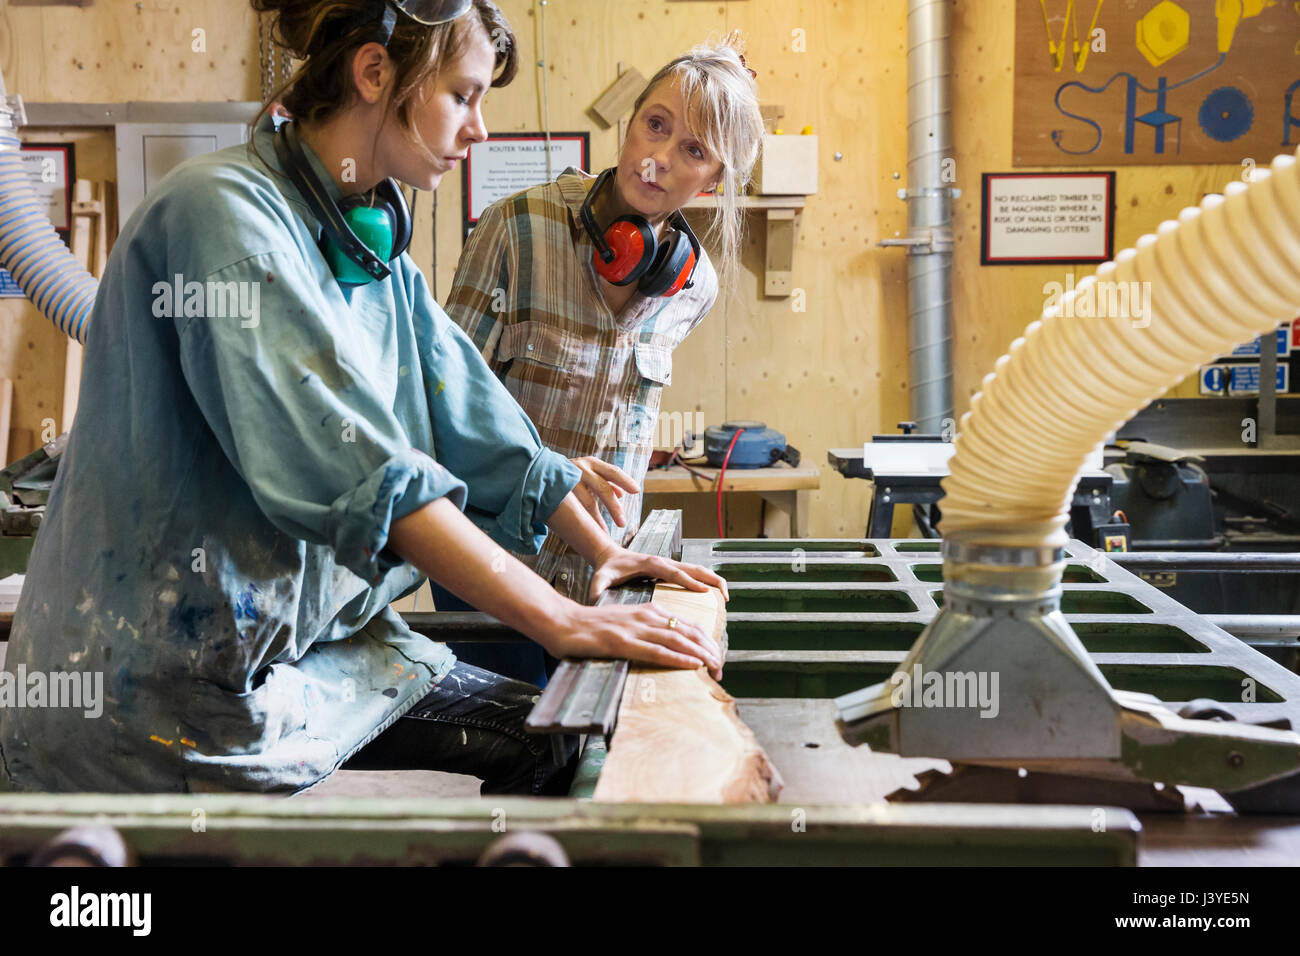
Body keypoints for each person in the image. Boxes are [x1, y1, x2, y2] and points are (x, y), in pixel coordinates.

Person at [0, 0, 726, 798]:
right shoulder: (225, 219)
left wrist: (603, 554)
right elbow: (371, 477)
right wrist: (562, 621)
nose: (480, 128)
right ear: (376, 73)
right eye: (463, 95)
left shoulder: (362, 245)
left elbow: (476, 420)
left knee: (554, 741)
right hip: (151, 690)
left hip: (297, 654)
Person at [442, 37, 763, 684]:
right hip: (496, 557)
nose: (659, 159)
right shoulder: (516, 227)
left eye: (693, 151)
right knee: (519, 747)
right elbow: (447, 405)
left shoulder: (694, 284)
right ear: (632, 120)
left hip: (604, 566)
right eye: (655, 125)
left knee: (584, 756)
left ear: (715, 179)